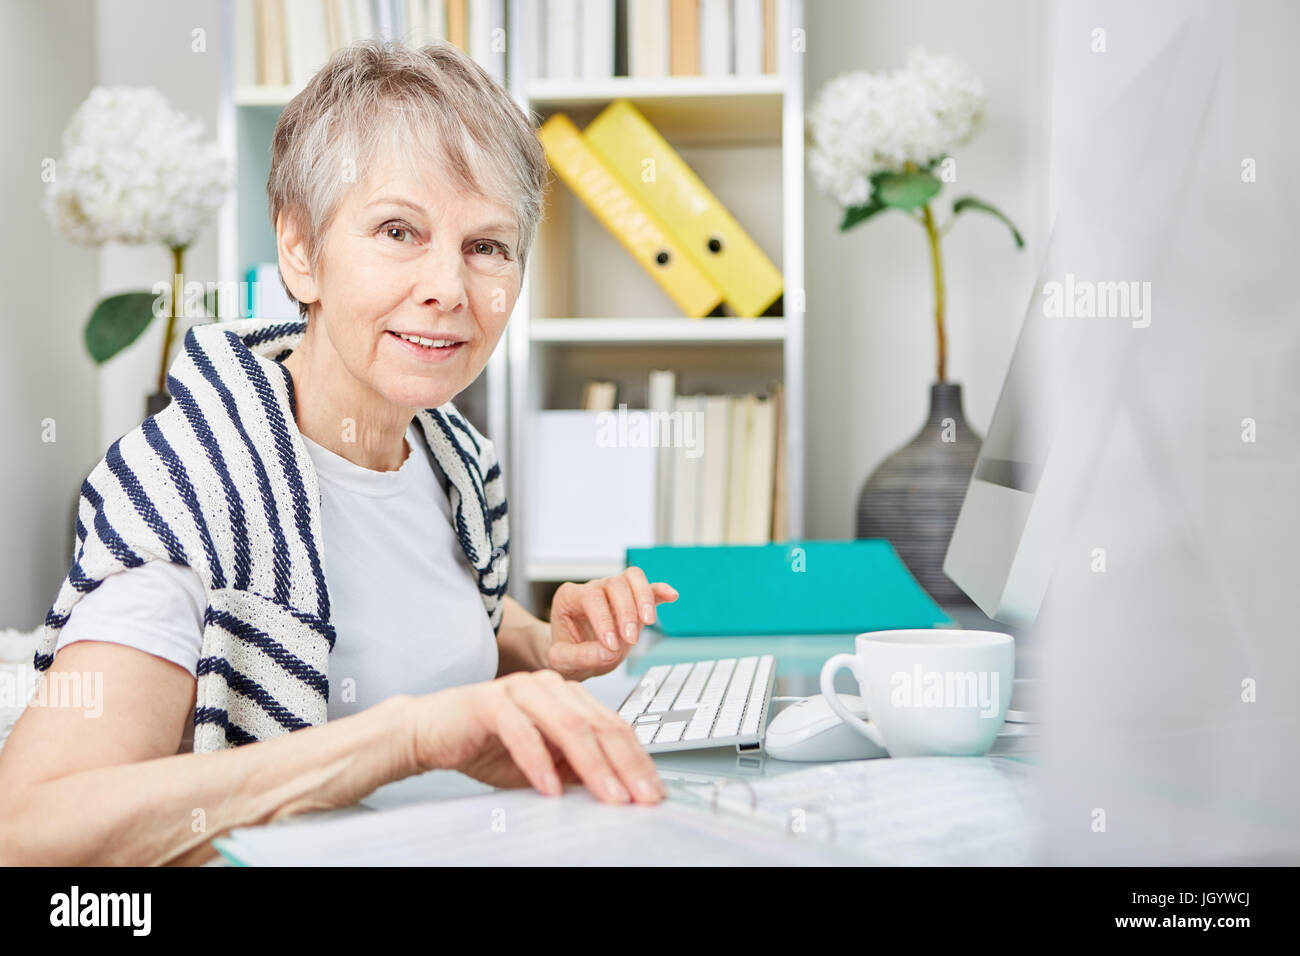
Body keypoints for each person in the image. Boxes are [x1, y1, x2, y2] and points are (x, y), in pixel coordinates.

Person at [0, 38, 677, 866]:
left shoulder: (455, 460)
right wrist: (399, 738)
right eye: (399, 229)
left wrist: (543, 646)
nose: (450, 289)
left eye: (488, 246)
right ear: (299, 251)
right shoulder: (197, 487)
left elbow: (429, 609)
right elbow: (29, 831)